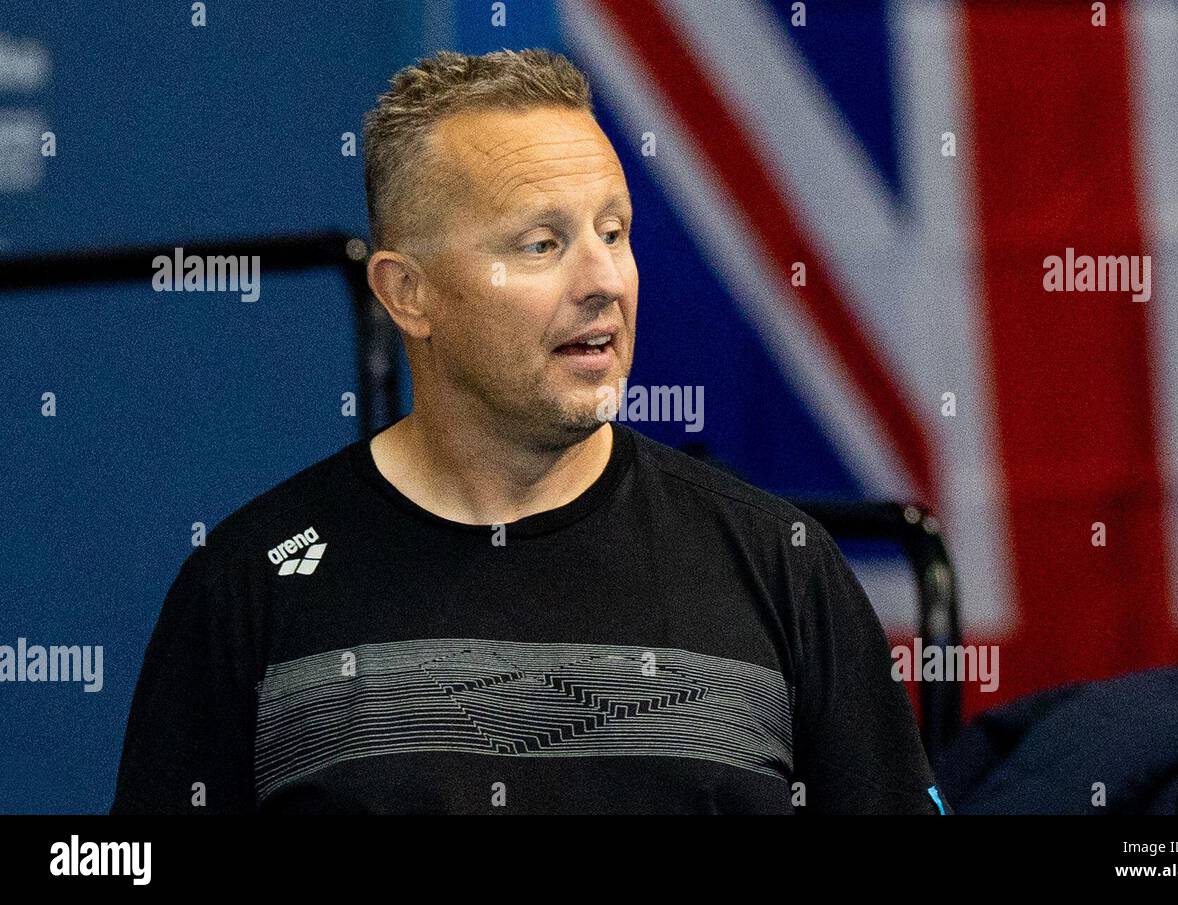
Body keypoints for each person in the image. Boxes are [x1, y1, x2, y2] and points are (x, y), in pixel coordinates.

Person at [110, 48, 948, 815]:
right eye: (542, 243)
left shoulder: (783, 569)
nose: (602, 281)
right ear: (408, 295)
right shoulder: (248, 587)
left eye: (613, 233)